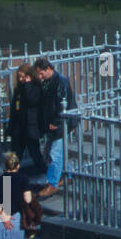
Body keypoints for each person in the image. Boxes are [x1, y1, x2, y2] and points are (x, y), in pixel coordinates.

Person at [34, 57, 78, 199]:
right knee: (58, 151)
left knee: (54, 153)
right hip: (56, 123)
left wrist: (57, 122)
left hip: (61, 123)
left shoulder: (60, 82)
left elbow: (63, 104)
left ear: (48, 69)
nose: (40, 76)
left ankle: (52, 183)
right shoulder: (49, 82)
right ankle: (67, 175)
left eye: (41, 73)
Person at [7, 62, 44, 177]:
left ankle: (41, 170)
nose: (21, 79)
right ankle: (12, 171)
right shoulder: (19, 89)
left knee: (34, 150)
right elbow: (14, 108)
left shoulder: (36, 87)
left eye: (23, 76)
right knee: (16, 151)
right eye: (19, 77)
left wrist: (28, 85)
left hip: (30, 125)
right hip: (19, 125)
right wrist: (11, 126)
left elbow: (32, 101)